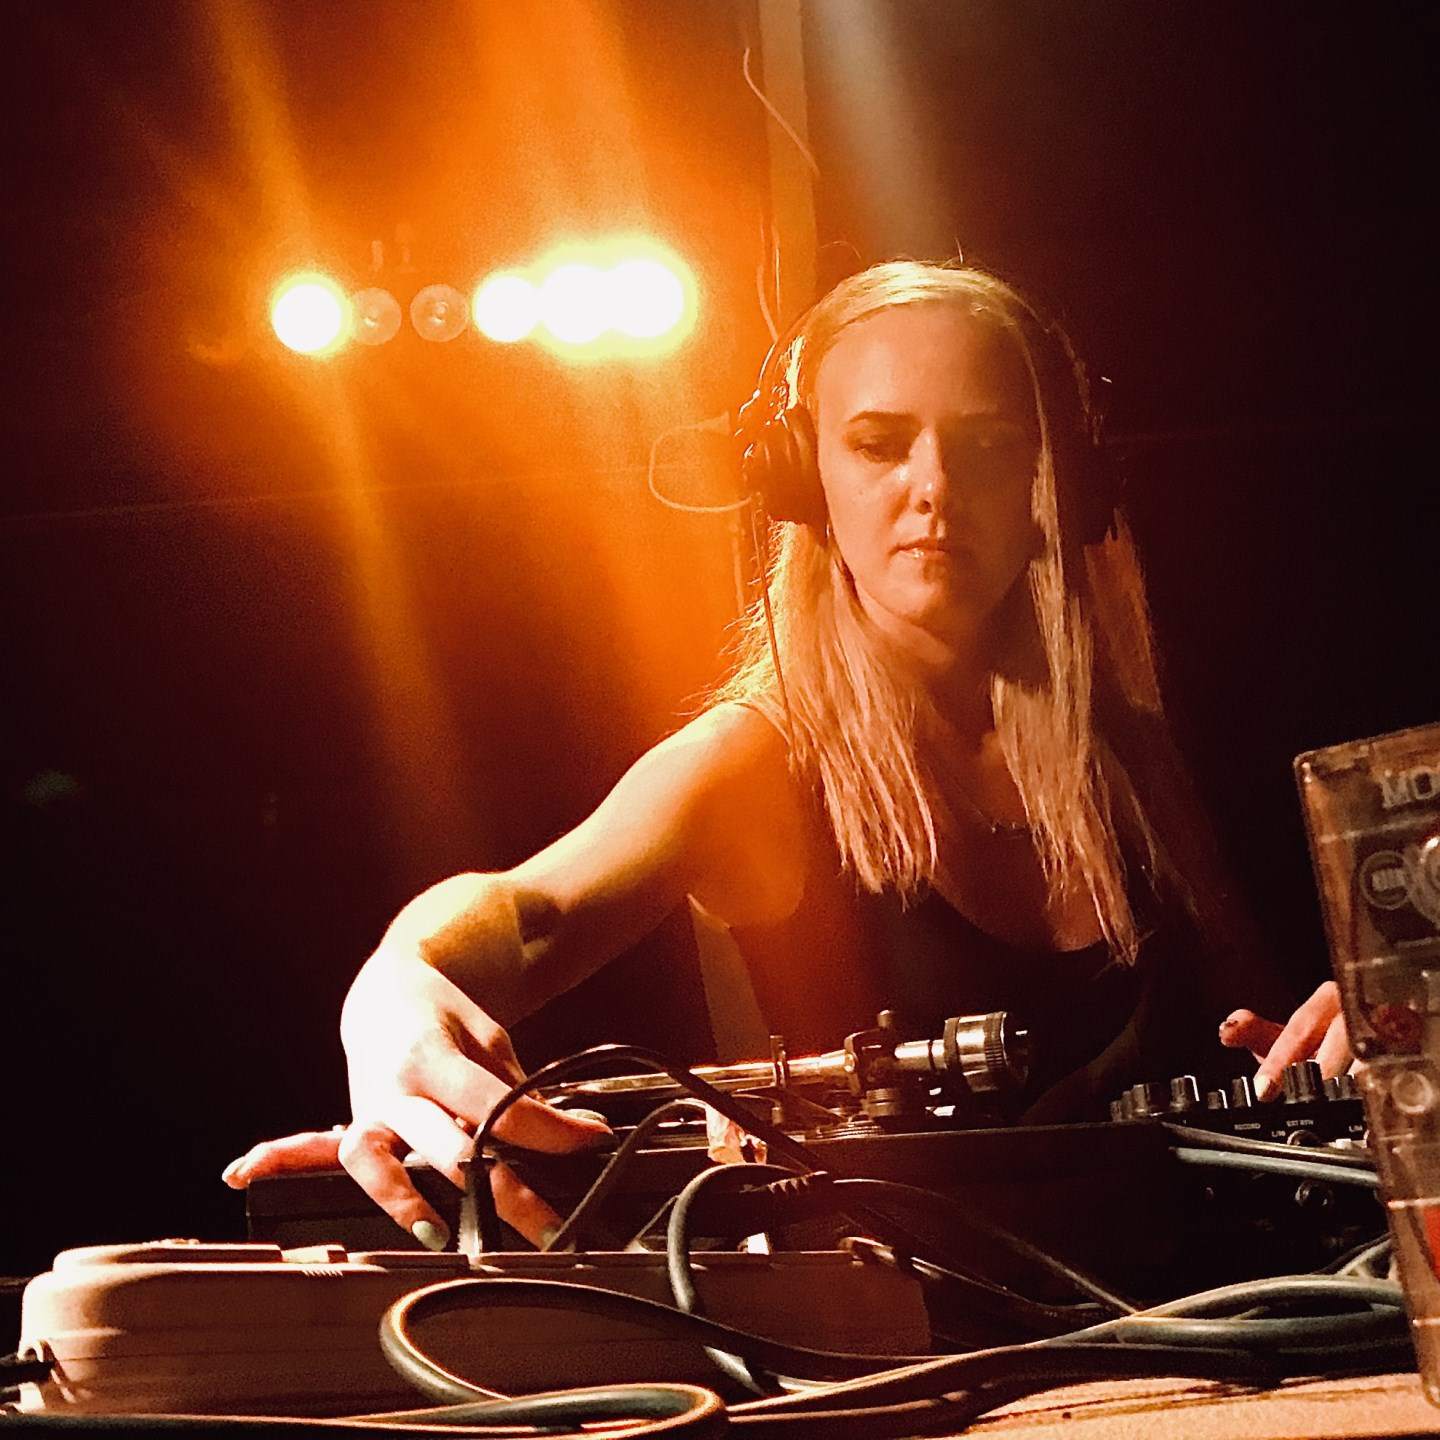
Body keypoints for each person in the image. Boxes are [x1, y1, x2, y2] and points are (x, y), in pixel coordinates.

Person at [223, 260, 1352, 1249]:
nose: (933, 486)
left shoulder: (1139, 753)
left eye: (988, 445)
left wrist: (1374, 1033)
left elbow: (1278, 1058)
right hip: (901, 1359)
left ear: (1060, 480)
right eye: (878, 444)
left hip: (1211, 1332)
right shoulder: (757, 759)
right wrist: (393, 989)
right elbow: (526, 916)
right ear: (802, 479)